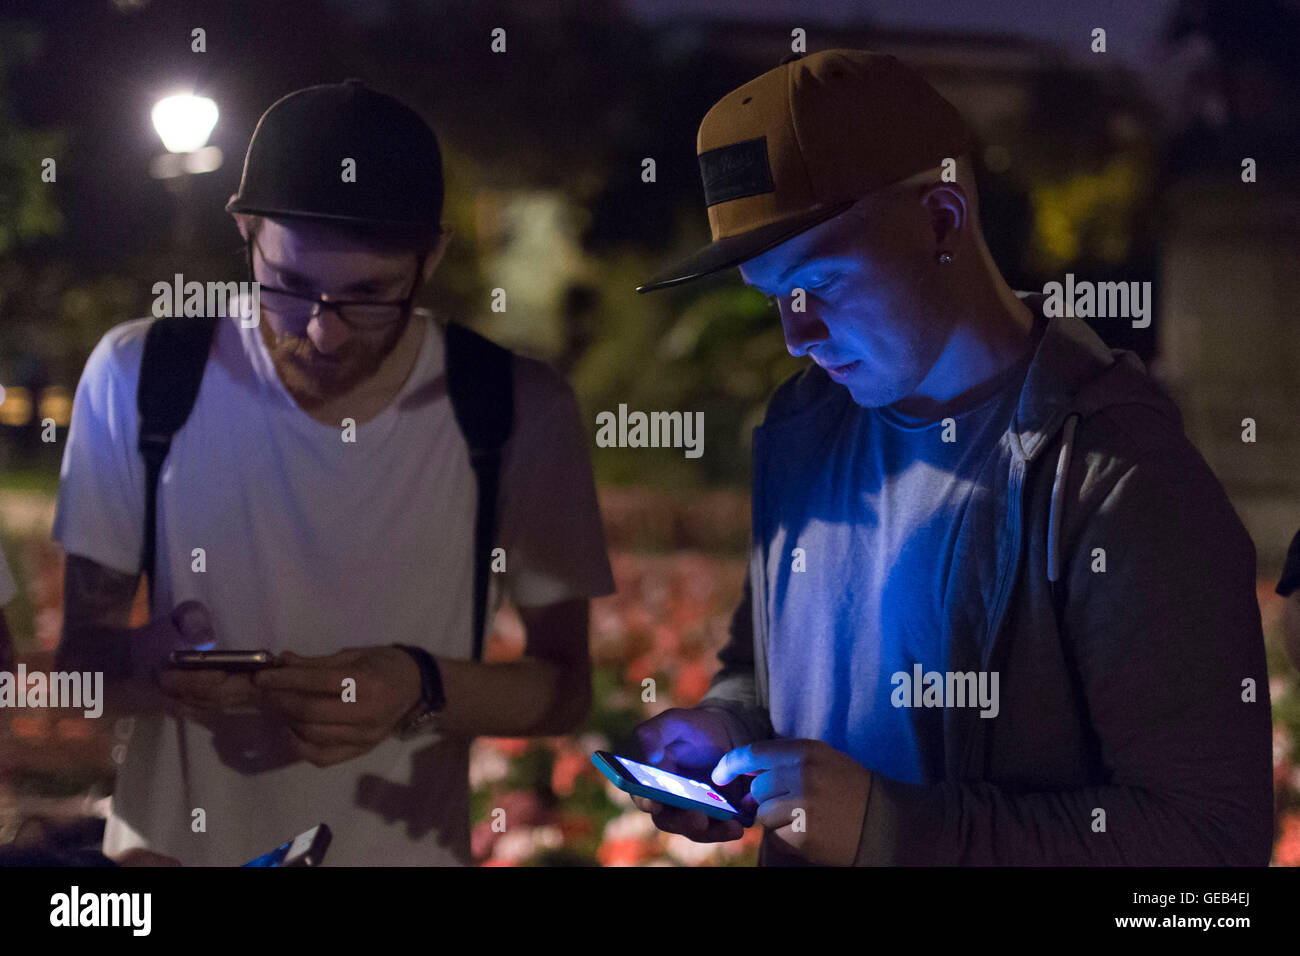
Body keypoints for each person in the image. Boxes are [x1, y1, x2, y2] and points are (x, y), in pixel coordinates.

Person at [630, 49, 1273, 865]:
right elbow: (771, 670)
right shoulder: (803, 428)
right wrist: (725, 727)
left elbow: (1210, 854)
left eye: (820, 281)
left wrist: (897, 832)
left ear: (941, 219)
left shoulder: (1119, 480)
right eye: (773, 297)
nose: (796, 332)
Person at [52, 80, 614, 866]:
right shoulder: (141, 375)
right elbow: (84, 662)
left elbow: (566, 687)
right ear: (245, 231)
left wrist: (416, 686)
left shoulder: (513, 407)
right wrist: (147, 665)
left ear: (433, 257)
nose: (322, 331)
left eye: (369, 295)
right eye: (288, 284)